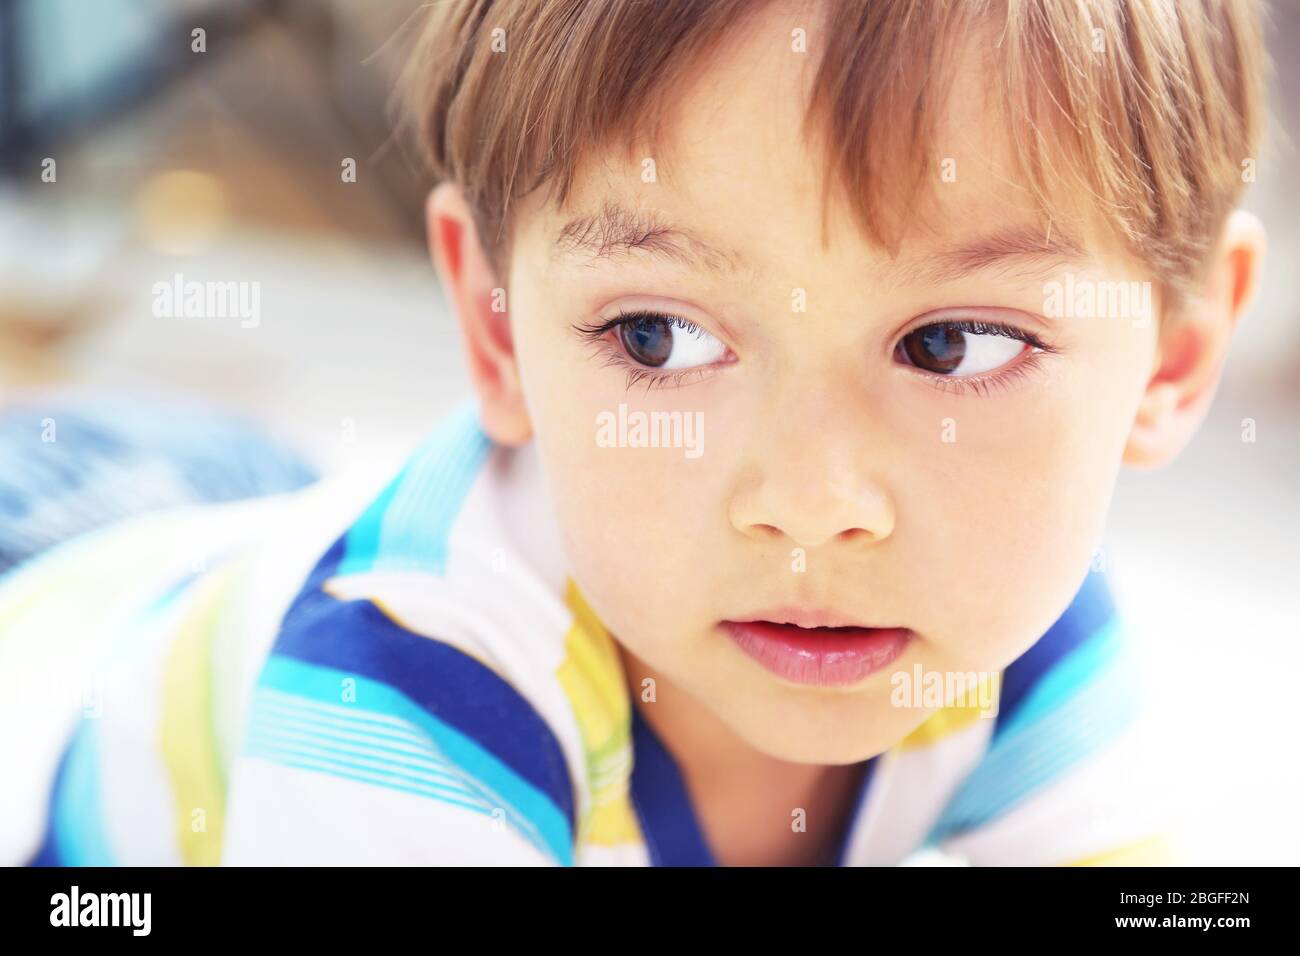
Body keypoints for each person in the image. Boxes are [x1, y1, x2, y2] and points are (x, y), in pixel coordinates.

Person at [4, 0, 1267, 866]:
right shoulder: (400, 689)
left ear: (1174, 354)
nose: (811, 501)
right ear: (495, 328)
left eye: (953, 345)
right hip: (69, 583)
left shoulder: (1029, 641)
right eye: (658, 337)